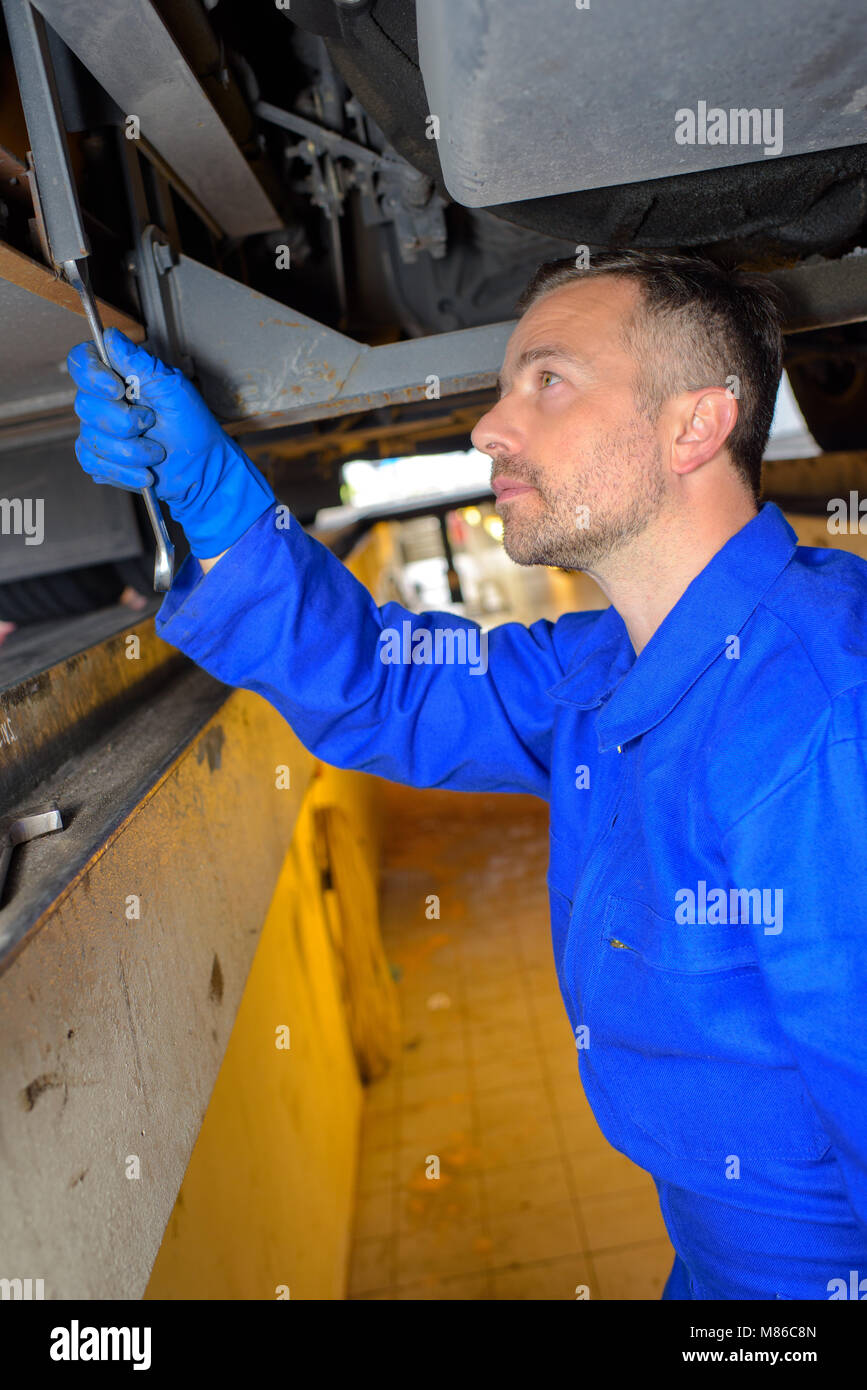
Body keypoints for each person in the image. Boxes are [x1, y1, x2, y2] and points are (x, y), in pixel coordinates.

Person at [66, 249, 867, 1301]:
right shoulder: (606, 666)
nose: (490, 426)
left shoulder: (821, 709)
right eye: (503, 388)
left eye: (548, 380)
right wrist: (216, 497)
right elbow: (388, 689)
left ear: (694, 426)